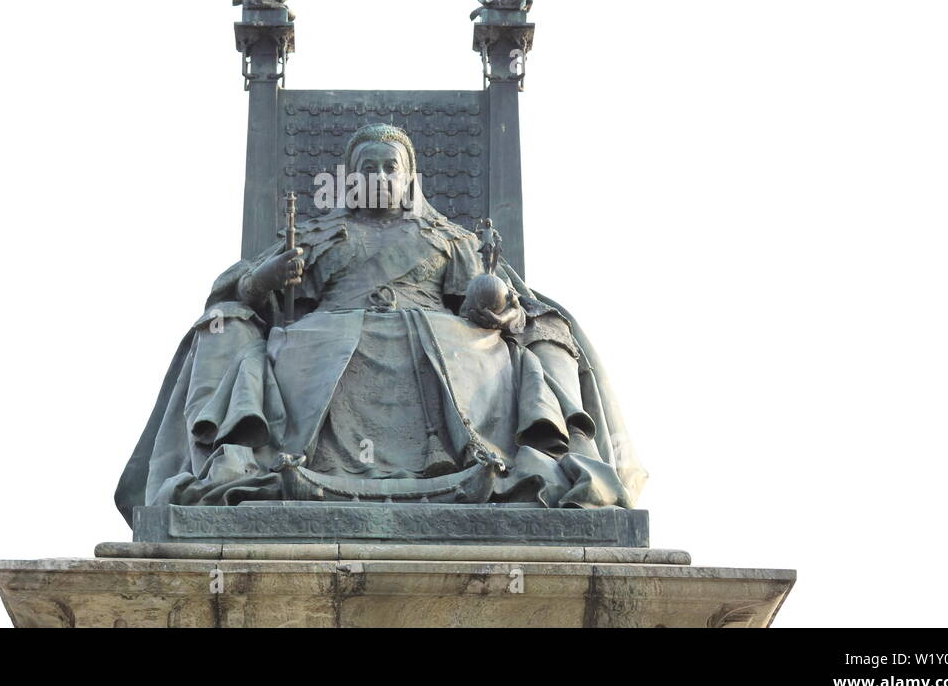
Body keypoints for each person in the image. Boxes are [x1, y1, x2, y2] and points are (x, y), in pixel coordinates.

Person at [115, 124, 645, 522]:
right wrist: (265, 278)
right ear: (350, 179)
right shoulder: (316, 234)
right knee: (231, 325)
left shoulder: (451, 239)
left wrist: (497, 310)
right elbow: (243, 294)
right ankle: (235, 465)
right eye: (368, 167)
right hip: (326, 333)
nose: (380, 176)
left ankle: (532, 462)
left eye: (391, 166)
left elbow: (508, 305)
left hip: (440, 335)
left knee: (533, 335)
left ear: (409, 177)